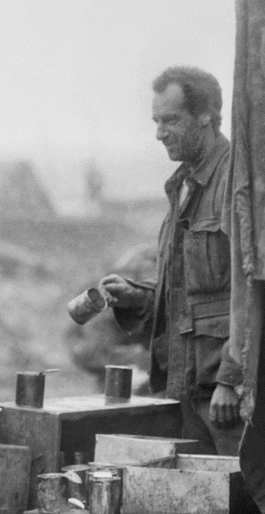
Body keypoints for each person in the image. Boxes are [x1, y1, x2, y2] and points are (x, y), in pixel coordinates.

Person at [100, 67, 243, 455]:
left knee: (249, 502)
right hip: (186, 388)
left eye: (171, 121)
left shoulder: (236, 181)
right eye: (157, 121)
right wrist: (141, 298)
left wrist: (232, 380)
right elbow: (189, 296)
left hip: (227, 398)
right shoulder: (182, 186)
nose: (160, 133)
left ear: (207, 117)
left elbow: (256, 293)